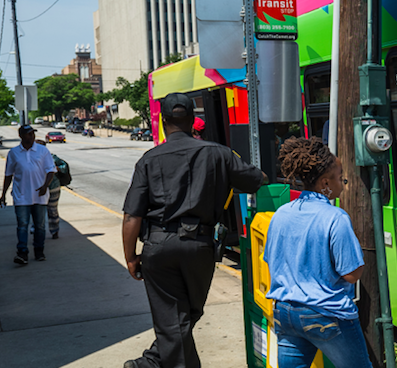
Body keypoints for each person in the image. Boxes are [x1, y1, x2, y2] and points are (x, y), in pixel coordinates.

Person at [121, 92, 267, 368]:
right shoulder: (219, 154)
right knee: (184, 315)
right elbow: (258, 179)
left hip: (159, 246)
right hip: (199, 247)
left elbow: (132, 216)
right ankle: (150, 363)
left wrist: (130, 256)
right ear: (192, 120)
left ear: (164, 121)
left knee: (175, 319)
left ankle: (150, 363)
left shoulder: (149, 160)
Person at [264, 137, 371, 368]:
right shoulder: (336, 218)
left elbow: (271, 261)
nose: (343, 182)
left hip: (286, 312)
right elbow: (351, 274)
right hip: (327, 314)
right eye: (340, 176)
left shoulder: (281, 214)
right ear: (325, 183)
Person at [0, 124, 56, 265]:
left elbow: (51, 170)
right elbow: (8, 175)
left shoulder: (42, 151)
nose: (31, 137)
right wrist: (3, 194)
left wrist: (45, 186)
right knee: (22, 225)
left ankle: (39, 250)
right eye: (28, 134)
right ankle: (22, 253)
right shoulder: (13, 153)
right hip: (21, 195)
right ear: (21, 136)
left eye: (32, 134)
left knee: (39, 226)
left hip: (39, 195)